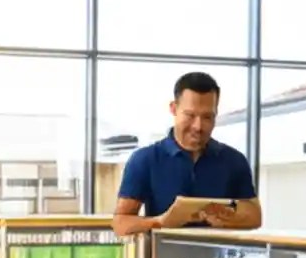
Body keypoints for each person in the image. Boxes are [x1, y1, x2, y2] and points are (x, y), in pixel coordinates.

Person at [111, 71, 263, 237]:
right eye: (190, 115)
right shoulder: (144, 160)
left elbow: (254, 216)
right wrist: (161, 222)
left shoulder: (234, 161)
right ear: (174, 109)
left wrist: (227, 216)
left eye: (207, 117)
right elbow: (121, 223)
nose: (198, 126)